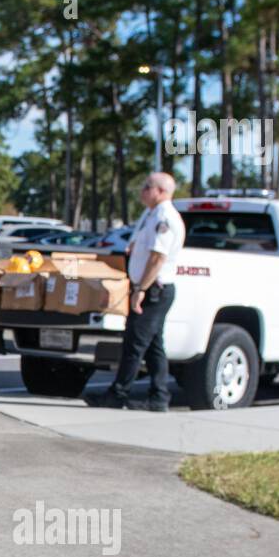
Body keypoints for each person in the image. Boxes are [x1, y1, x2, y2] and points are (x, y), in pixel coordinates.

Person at [87, 171, 185, 411]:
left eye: (147, 186)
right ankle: (159, 397)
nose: (142, 190)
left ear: (160, 191)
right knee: (153, 347)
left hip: (154, 290)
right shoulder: (151, 214)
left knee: (134, 343)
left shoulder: (164, 217)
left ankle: (118, 394)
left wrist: (141, 288)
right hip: (150, 289)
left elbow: (157, 258)